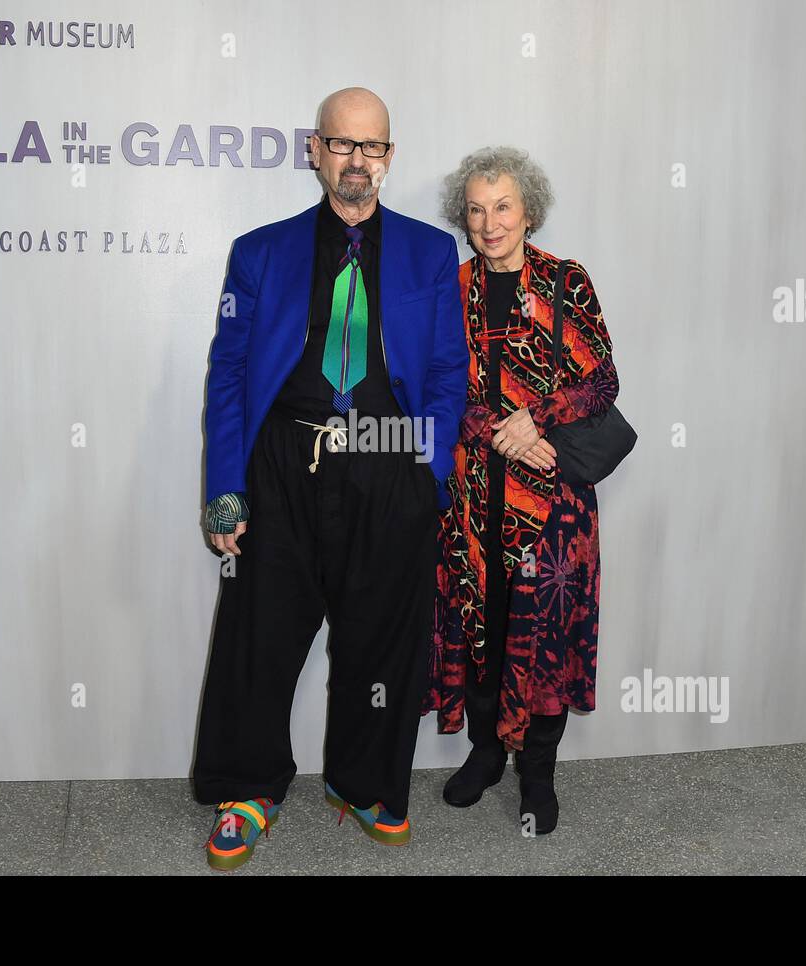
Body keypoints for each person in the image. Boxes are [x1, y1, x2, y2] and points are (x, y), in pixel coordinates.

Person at [193, 87, 468, 870]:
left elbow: (448, 370)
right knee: (261, 635)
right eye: (343, 145)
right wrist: (225, 487)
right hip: (284, 459)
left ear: (389, 157)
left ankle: (364, 782)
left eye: (373, 147)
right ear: (315, 150)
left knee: (382, 638)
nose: (358, 161)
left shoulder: (426, 251)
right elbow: (228, 377)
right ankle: (247, 788)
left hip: (390, 460)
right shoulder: (260, 251)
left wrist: (431, 474)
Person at [423, 146, 619, 835]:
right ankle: (484, 754)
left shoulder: (567, 282)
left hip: (555, 507)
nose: (489, 221)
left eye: (502, 205)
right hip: (476, 499)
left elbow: (602, 383)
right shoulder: (451, 288)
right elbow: (436, 387)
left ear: (527, 210)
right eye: (476, 209)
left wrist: (534, 418)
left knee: (544, 642)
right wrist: (496, 427)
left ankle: (538, 772)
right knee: (483, 630)